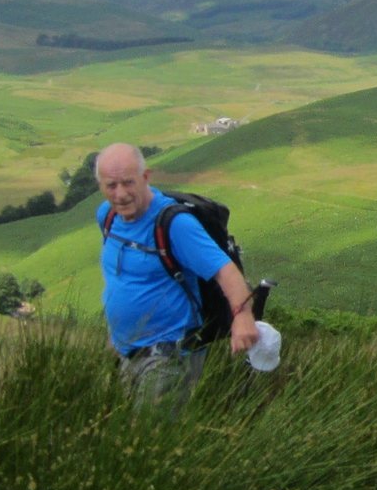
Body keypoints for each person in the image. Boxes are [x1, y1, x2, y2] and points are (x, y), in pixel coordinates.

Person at [96, 142, 259, 409]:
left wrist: (242, 317)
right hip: (126, 351)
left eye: (128, 183)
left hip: (169, 356)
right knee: (129, 434)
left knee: (149, 438)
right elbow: (122, 278)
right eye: (111, 186)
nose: (121, 194)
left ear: (145, 177)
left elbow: (226, 271)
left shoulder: (175, 225)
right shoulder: (107, 216)